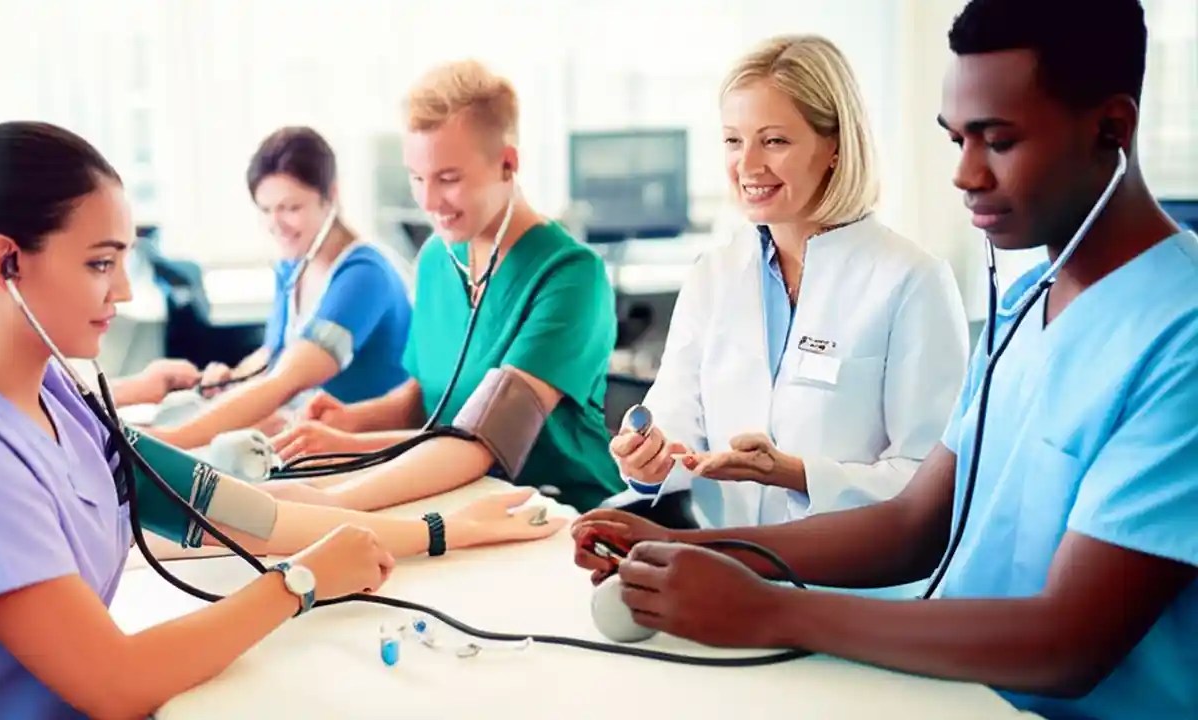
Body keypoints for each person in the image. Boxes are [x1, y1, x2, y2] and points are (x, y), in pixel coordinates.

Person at [572, 1, 1196, 718]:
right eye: (956, 139)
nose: (964, 174)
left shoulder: (1182, 333)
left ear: (1111, 130)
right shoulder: (1028, 305)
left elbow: (1067, 643)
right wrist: (694, 548)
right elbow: (913, 526)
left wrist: (772, 608)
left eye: (997, 140)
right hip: (951, 693)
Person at [0, 122, 562, 719]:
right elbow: (114, 680)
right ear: (5, 263)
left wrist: (443, 530)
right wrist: (298, 583)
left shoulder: (54, 392)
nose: (125, 292)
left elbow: (249, 511)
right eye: (100, 264)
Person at [610, 35, 968, 528]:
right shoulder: (713, 273)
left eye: (774, 140)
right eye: (734, 140)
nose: (748, 165)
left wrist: (798, 475)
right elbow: (675, 420)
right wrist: (646, 458)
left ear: (835, 147)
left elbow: (933, 484)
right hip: (731, 569)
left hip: (849, 584)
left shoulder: (912, 280)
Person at [264, 60, 623, 513]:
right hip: (461, 499)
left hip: (563, 514)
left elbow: (484, 440)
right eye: (417, 178)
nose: (430, 203)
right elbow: (426, 402)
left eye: (448, 179)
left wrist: (330, 500)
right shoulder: (438, 257)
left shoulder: (571, 277)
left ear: (508, 164)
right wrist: (350, 423)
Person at [149, 127, 412, 449]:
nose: (276, 224)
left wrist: (168, 442)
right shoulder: (293, 263)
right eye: (265, 210)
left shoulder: (364, 276)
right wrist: (231, 379)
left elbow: (287, 379)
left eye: (291, 208)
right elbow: (273, 354)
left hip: (362, 446)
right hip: (309, 435)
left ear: (331, 195)